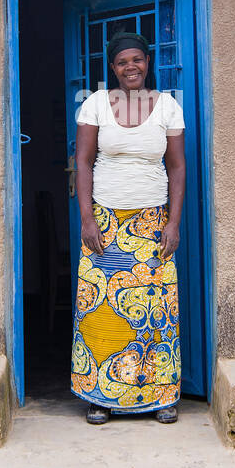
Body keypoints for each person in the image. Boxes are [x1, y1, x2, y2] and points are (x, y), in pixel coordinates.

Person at [70, 31, 186, 424]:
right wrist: (87, 219)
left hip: (151, 223)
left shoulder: (167, 105)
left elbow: (177, 167)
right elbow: (83, 162)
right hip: (105, 221)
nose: (130, 66)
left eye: (137, 59)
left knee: (156, 311)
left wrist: (173, 222)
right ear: (114, 68)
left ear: (147, 62)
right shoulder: (96, 104)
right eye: (122, 62)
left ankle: (160, 396)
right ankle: (101, 397)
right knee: (100, 309)